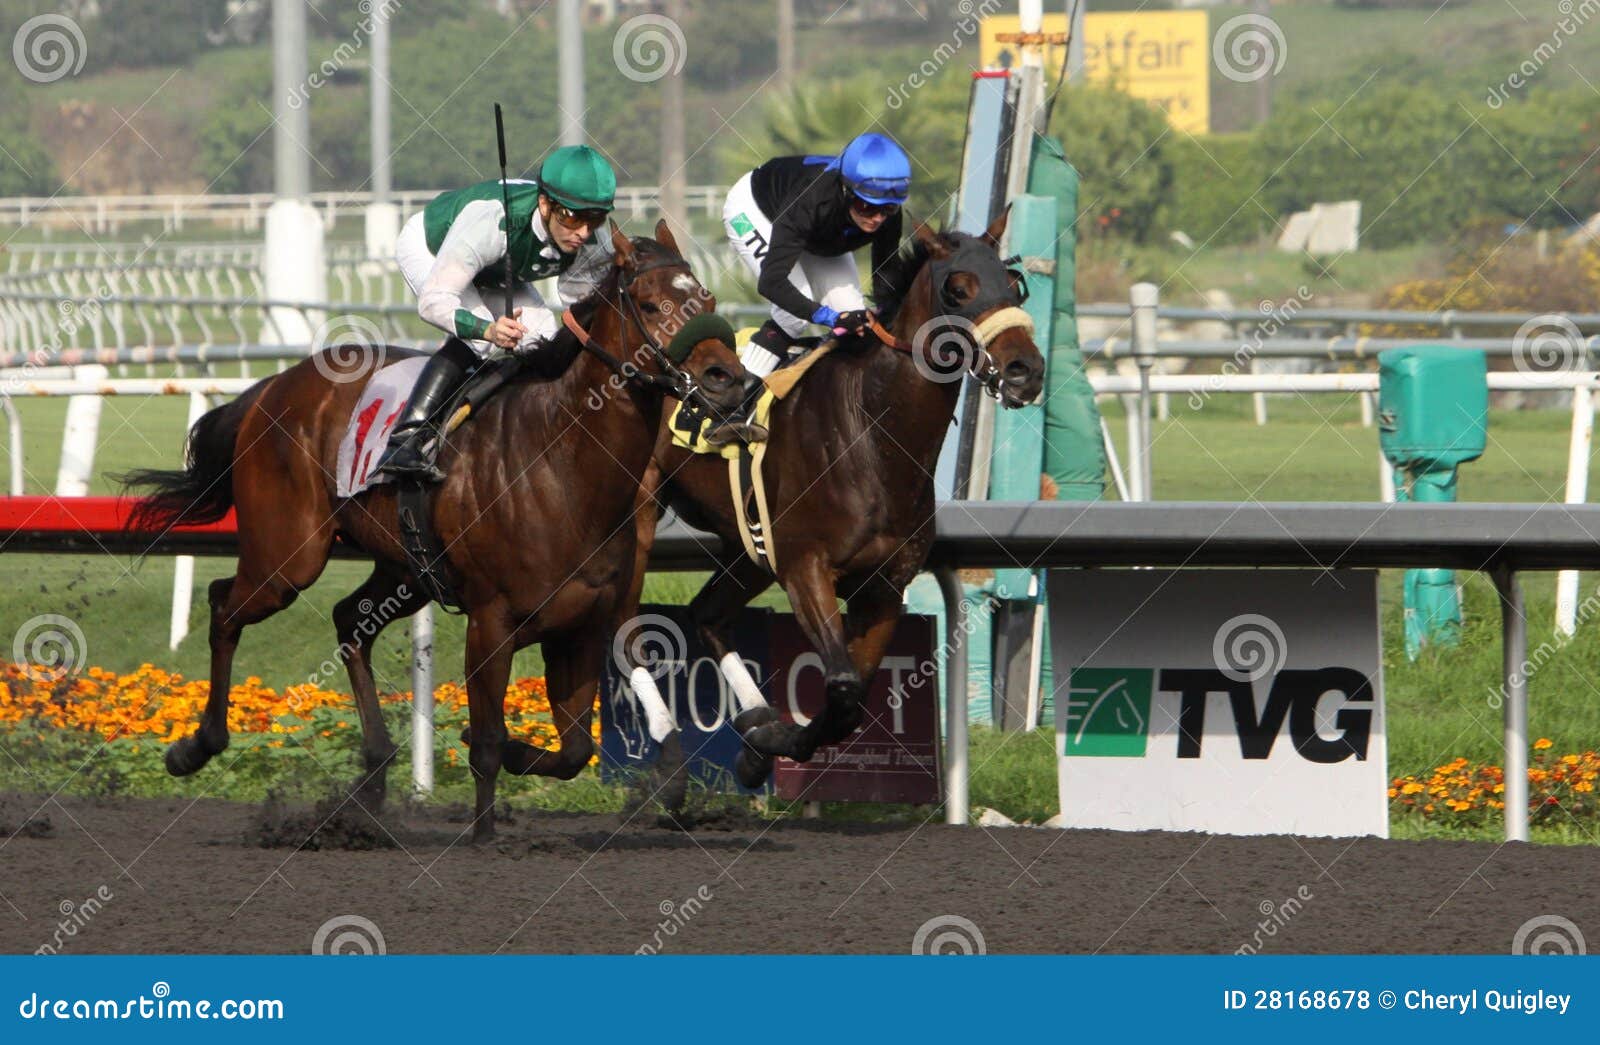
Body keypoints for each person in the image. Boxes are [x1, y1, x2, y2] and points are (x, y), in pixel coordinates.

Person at [375, 144, 617, 481]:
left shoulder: (591, 236)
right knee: (488, 342)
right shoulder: (493, 222)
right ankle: (406, 439)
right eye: (573, 217)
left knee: (542, 340)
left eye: (596, 218)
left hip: (499, 266)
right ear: (545, 204)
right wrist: (486, 330)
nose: (583, 232)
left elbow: (579, 304)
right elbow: (433, 302)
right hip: (433, 248)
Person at [722, 131, 911, 378]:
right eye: (866, 206)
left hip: (814, 233)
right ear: (846, 191)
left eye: (887, 208)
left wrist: (886, 315)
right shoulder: (810, 199)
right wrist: (830, 318)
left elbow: (885, 276)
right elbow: (771, 283)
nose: (877, 218)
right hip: (755, 210)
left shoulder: (888, 217)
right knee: (792, 315)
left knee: (853, 317)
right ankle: (736, 399)